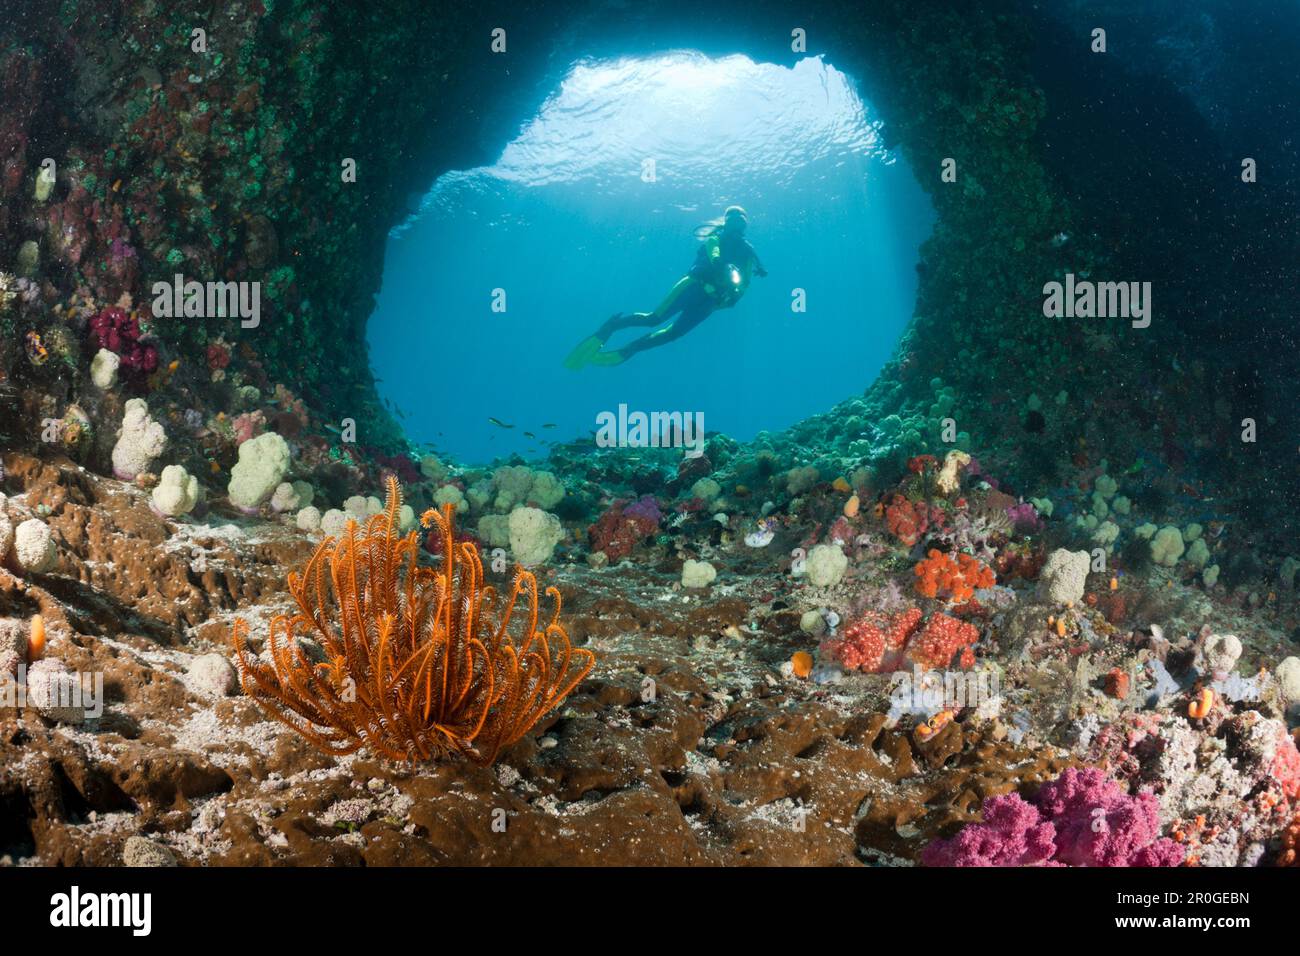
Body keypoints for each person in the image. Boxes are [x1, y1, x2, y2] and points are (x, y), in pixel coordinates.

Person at [564, 205, 767, 368]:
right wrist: (719, 266)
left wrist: (730, 298)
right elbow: (713, 252)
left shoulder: (749, 253)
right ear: (726, 221)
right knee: (654, 319)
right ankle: (610, 327)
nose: (738, 220)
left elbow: (745, 282)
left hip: (710, 303)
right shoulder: (716, 238)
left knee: (673, 334)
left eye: (742, 217)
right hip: (693, 286)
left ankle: (629, 349)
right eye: (733, 217)